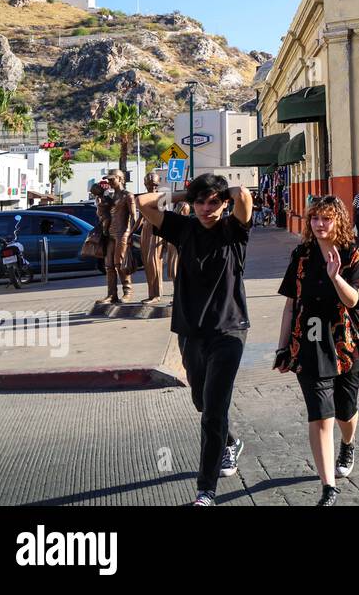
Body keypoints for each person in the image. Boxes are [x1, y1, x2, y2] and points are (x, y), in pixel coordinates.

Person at [137, 173, 253, 507]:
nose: (205, 208)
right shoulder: (183, 227)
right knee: (202, 401)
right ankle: (231, 441)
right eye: (200, 202)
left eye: (213, 202)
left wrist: (222, 193)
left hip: (229, 330)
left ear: (223, 203)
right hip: (190, 330)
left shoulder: (234, 231)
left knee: (213, 411)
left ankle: (206, 489)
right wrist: (183, 196)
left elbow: (244, 194)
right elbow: (143, 203)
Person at [275, 195, 359, 506]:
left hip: (346, 342)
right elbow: (291, 303)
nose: (319, 224)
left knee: (345, 410)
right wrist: (282, 348)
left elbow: (354, 301)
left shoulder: (352, 253)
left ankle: (348, 443)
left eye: (326, 219)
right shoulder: (301, 254)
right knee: (320, 415)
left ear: (339, 221)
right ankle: (328, 487)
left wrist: (335, 277)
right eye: (315, 219)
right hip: (307, 341)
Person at [97, 171, 137, 304]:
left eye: (112, 180)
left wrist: (130, 234)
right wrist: (101, 203)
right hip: (111, 233)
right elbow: (104, 215)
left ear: (120, 179)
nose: (109, 183)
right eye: (108, 180)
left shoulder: (128, 196)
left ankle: (128, 291)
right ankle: (111, 294)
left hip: (122, 233)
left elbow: (133, 217)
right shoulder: (112, 196)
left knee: (120, 264)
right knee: (108, 265)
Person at [139, 171, 166, 304]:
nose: (152, 187)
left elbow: (165, 216)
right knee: (147, 263)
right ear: (145, 184)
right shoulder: (143, 197)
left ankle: (157, 294)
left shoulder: (161, 197)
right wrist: (130, 233)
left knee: (154, 261)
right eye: (150, 185)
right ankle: (151, 294)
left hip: (157, 231)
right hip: (145, 231)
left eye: (155, 185)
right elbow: (140, 218)